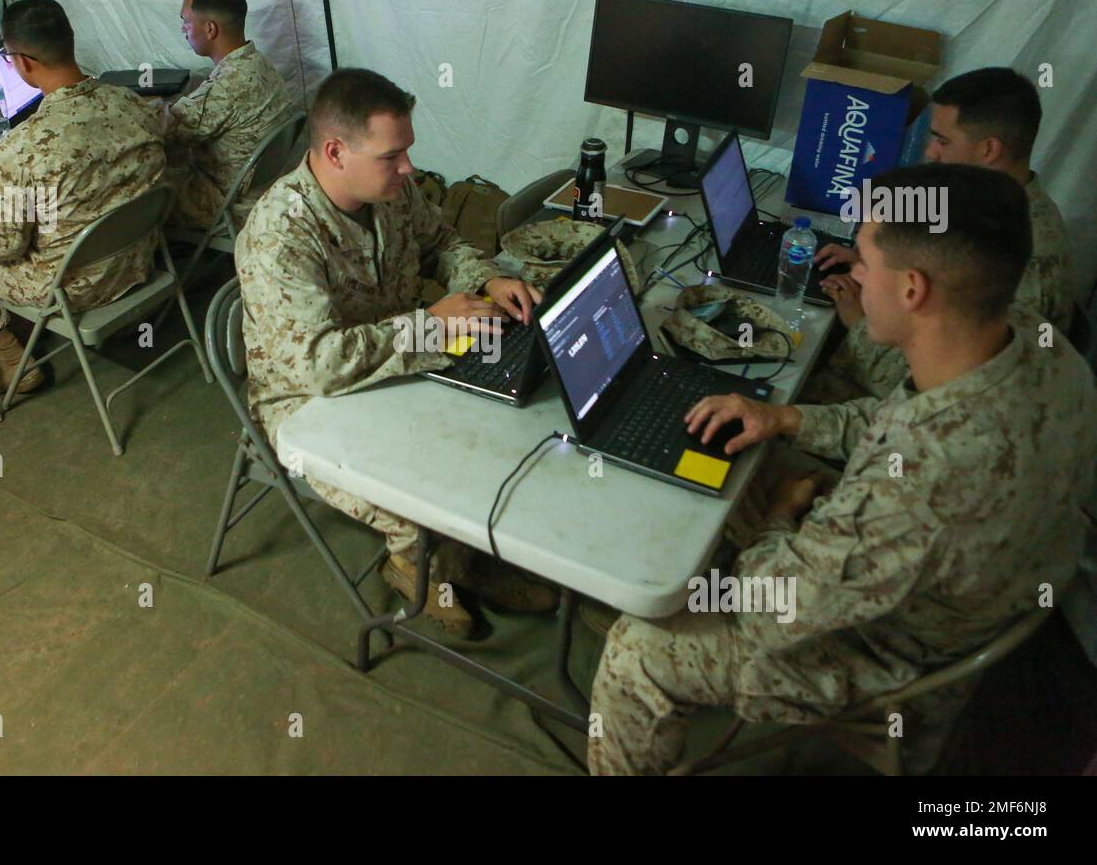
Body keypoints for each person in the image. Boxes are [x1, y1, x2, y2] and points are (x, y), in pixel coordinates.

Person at [587, 163, 1097, 775]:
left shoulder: (926, 478)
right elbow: (896, 419)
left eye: (862, 259)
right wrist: (787, 420)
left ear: (912, 289)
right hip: (967, 582)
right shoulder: (1039, 344)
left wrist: (777, 517)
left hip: (887, 652)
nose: (854, 273)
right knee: (740, 459)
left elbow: (768, 611)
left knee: (637, 650)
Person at [235, 67, 552, 637]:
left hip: (395, 362)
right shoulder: (279, 233)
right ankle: (416, 562)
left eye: (407, 151)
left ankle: (466, 556)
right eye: (392, 156)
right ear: (335, 151)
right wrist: (432, 328)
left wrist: (486, 282)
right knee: (419, 492)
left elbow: (442, 244)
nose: (407, 168)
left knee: (496, 433)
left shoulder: (392, 194)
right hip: (305, 403)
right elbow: (320, 366)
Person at [0, 0, 165, 393]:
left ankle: (10, 359)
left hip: (73, 287)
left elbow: (1, 247)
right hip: (137, 260)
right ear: (69, 42)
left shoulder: (25, 146)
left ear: (20, 62)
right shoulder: (132, 102)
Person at [810, 67, 1074, 400]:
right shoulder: (988, 207)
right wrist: (881, 264)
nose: (930, 151)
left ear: (989, 149)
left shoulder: (1028, 265)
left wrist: (860, 323)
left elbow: (937, 394)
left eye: (941, 140)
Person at [156, 0, 293, 233]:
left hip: (226, 205)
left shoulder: (228, 85)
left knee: (135, 183)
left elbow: (163, 134)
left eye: (186, 21)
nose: (183, 30)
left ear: (210, 29)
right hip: (261, 191)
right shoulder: (259, 65)